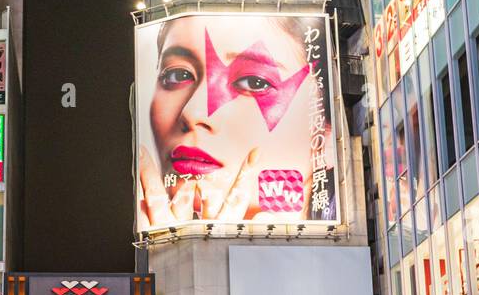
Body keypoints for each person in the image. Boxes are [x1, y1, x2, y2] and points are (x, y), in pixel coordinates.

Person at [136, 12, 336, 231]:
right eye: (177, 75)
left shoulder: (355, 262)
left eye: (254, 82)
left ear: (327, 135)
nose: (193, 113)